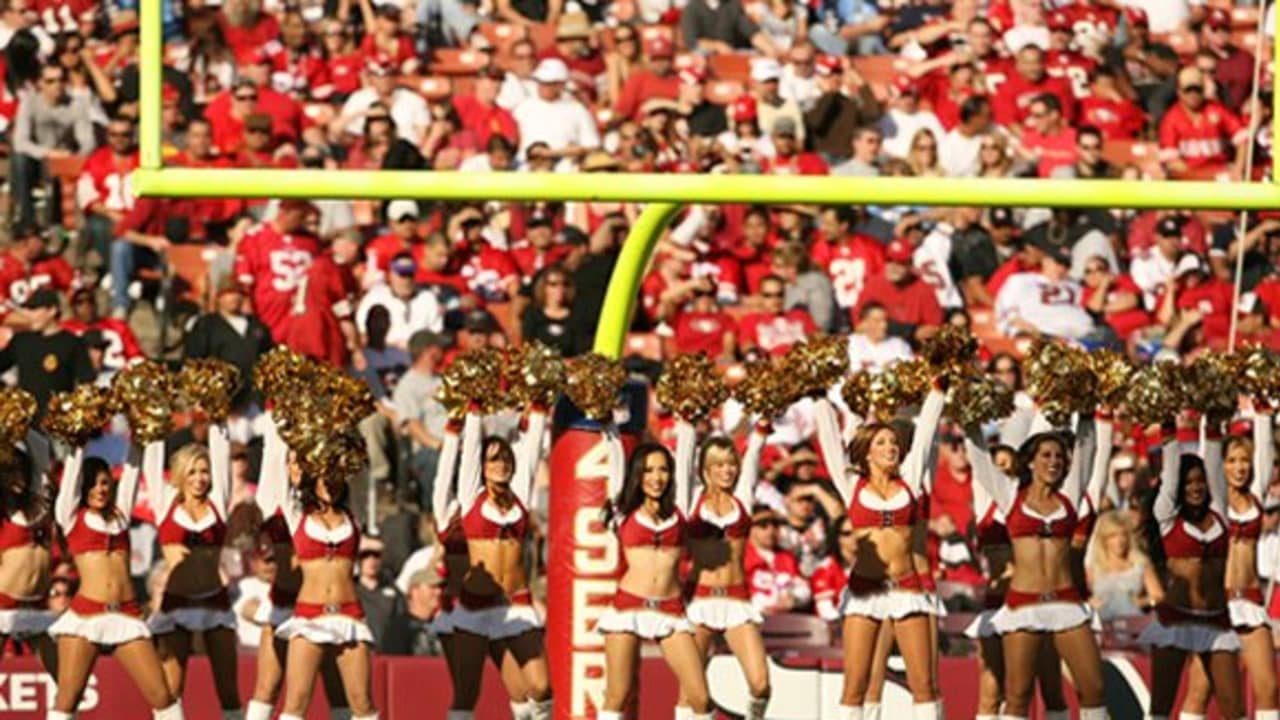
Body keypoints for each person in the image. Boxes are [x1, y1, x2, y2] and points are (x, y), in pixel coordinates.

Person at [964, 409, 1112, 720]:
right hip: (1022, 604)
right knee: (1018, 696)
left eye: (1059, 456)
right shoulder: (1010, 495)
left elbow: (1089, 450)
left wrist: (1086, 413)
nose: (1054, 461)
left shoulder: (1070, 496)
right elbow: (980, 461)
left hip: (1067, 602)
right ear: (1030, 462)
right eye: (1045, 455)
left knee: (1094, 689)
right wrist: (969, 419)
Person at [813, 382, 944, 720]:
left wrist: (938, 390)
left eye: (894, 442)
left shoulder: (911, 481)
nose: (891, 447)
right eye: (881, 442)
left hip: (907, 589)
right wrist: (818, 397)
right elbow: (829, 441)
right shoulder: (851, 484)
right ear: (866, 452)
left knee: (924, 685)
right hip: (864, 592)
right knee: (855, 685)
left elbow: (927, 431)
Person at [48, 444, 183, 719]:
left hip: (127, 614)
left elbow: (133, 469)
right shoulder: (71, 516)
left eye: (106, 483)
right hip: (86, 616)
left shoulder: (121, 515)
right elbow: (71, 478)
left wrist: (140, 435)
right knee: (68, 697)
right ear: (83, 487)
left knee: (163, 696)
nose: (101, 489)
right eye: (95, 484)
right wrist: (78, 442)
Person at [447, 402, 551, 719]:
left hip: (516, 602)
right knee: (467, 693)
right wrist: (474, 410)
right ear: (481, 465)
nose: (501, 464)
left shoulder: (519, 492)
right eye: (493, 459)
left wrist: (538, 411)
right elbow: (469, 453)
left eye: (505, 458)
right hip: (475, 606)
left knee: (540, 687)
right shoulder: (470, 496)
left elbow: (531, 453)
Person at [262, 437, 377, 719]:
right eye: (325, 475)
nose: (331, 482)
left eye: (337, 475)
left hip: (349, 616)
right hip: (309, 616)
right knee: (296, 701)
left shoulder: (355, 514)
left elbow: (363, 472)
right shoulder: (297, 513)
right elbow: (278, 473)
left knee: (362, 702)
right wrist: (280, 416)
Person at [596, 442, 711, 720]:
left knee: (701, 698)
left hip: (670, 609)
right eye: (648, 470)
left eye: (662, 470)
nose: (656, 478)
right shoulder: (623, 511)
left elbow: (686, 453)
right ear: (637, 474)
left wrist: (686, 419)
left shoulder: (680, 509)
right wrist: (609, 427)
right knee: (617, 694)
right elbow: (614, 459)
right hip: (628, 608)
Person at [1139, 415, 1244, 720]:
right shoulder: (1168, 516)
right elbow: (1170, 475)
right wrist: (1169, 430)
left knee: (1234, 710)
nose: (1196, 487)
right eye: (1189, 482)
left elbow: (1213, 461)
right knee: (1161, 707)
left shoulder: (1219, 513)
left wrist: (1213, 423)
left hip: (1216, 619)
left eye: (1200, 481)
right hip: (1176, 619)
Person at [244, 430, 349, 720]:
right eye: (291, 462)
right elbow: (272, 454)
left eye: (302, 461)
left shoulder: (327, 505)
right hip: (282, 604)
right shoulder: (274, 504)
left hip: (321, 609)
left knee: (337, 689)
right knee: (267, 688)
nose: (296, 467)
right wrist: (278, 408)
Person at [677, 416, 771, 720]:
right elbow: (682, 461)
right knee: (691, 692)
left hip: (737, 600)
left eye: (731, 464)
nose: (727, 470)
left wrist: (760, 429)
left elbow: (754, 457)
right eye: (719, 465)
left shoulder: (742, 499)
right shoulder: (691, 498)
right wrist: (688, 423)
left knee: (760, 685)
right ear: (706, 470)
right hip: (699, 600)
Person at [149, 437, 241, 717]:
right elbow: (151, 463)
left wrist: (217, 415)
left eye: (204, 471)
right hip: (176, 604)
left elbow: (221, 449)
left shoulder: (218, 504)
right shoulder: (165, 503)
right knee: (171, 691)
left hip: (216, 602)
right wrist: (151, 425)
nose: (200, 478)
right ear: (180, 475)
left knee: (228, 690)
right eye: (192, 472)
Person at [1222, 404, 1277, 719]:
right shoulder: (1214, 498)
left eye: (1244, 460)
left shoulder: (1256, 497)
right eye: (1232, 461)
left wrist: (1262, 413)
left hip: (1253, 603)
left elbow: (1266, 453)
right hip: (1222, 604)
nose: (1240, 467)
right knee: (1208, 693)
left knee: (1268, 688)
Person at [0, 440, 55, 672]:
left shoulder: (40, 506)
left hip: (37, 605)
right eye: (10, 471)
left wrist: (24, 421)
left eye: (21, 470)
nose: (18, 478)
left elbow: (41, 451)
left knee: (65, 681)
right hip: (3, 604)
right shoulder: (2, 510)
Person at [1085, 511, 1161, 622]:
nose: (1120, 541)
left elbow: (1158, 596)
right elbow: (1086, 598)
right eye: (1113, 536)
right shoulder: (1094, 567)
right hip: (1104, 625)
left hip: (1134, 623)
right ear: (1104, 539)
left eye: (1123, 535)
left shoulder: (1140, 564)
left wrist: (1140, 602)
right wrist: (1091, 603)